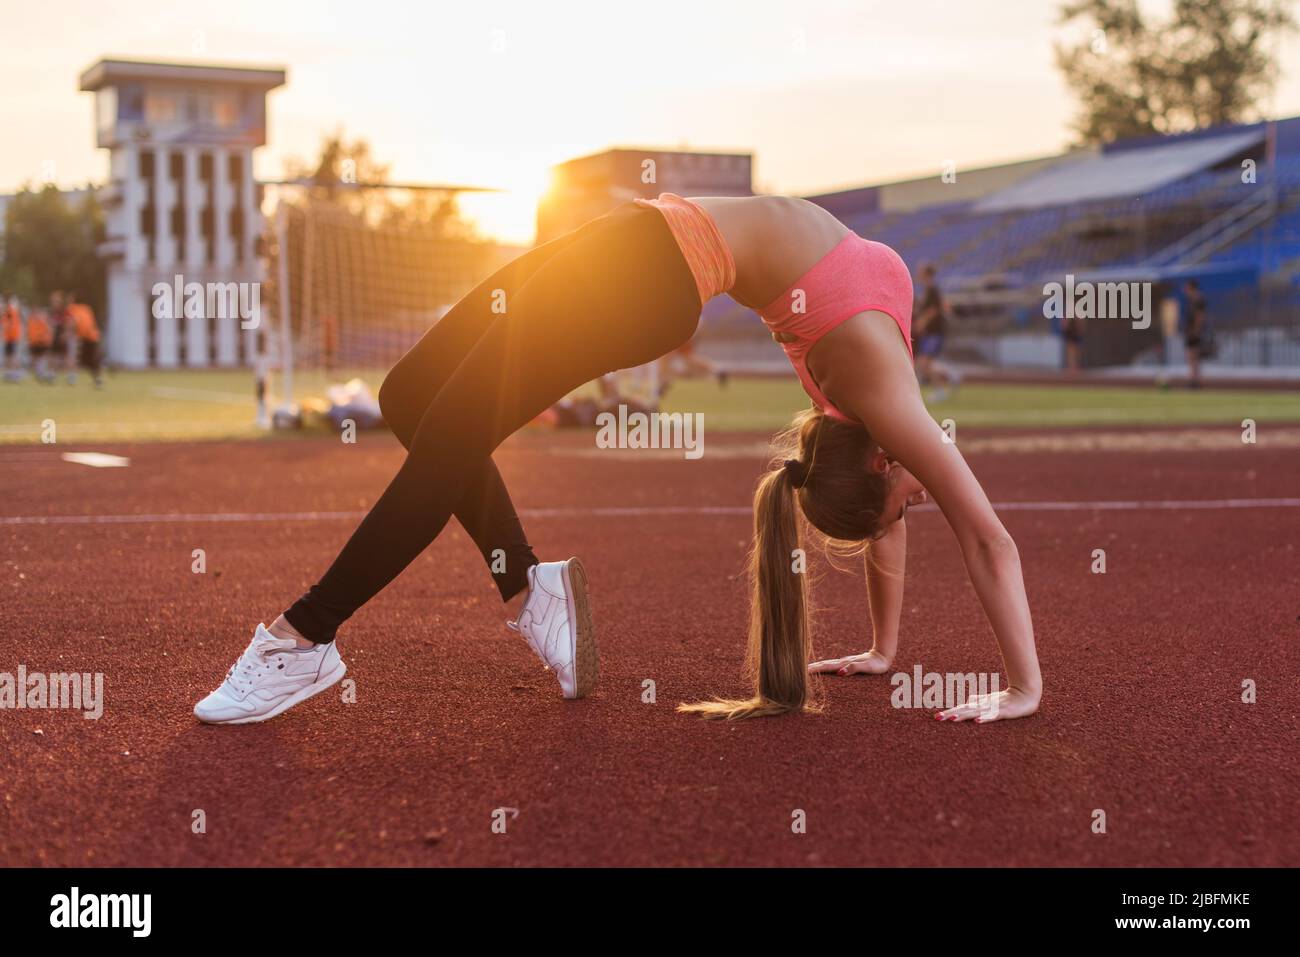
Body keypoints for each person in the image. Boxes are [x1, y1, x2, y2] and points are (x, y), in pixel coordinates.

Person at [194, 194, 1041, 727]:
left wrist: (891, 645)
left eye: (904, 506)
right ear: (888, 462)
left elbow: (887, 518)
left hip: (647, 276)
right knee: (410, 397)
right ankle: (532, 590)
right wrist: (1017, 683)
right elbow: (987, 539)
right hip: (640, 241)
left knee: (447, 435)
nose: (919, 505)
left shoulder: (868, 410)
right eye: (910, 502)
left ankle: (304, 635)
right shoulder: (884, 410)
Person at [911, 263, 960, 400]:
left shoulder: (932, 289)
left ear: (927, 274)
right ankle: (950, 375)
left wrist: (922, 322)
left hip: (934, 333)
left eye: (920, 271)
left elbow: (933, 310)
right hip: (930, 333)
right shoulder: (928, 290)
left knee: (924, 363)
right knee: (924, 363)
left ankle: (940, 390)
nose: (918, 274)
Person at [66, 294, 104, 388]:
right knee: (90, 361)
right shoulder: (87, 308)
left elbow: (73, 323)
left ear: (74, 299)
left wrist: (68, 333)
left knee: (80, 359)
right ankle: (97, 379)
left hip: (85, 338)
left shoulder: (72, 309)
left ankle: (72, 378)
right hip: (93, 336)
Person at [1182, 279, 1208, 389]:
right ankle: (1194, 379)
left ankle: (1194, 381)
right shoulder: (1193, 299)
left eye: (1186, 287)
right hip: (1191, 331)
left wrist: (1196, 331)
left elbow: (1200, 316)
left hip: (1194, 332)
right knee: (1192, 357)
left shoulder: (1197, 299)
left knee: (1193, 356)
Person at [25, 308, 53, 383]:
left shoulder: (41, 322)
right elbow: (30, 333)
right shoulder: (32, 322)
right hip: (35, 343)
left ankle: (41, 373)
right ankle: (39, 373)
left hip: (41, 343)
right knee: (35, 359)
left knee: (40, 358)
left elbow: (46, 332)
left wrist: (42, 339)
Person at [2, 298, 21, 378]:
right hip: (8, 338)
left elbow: (10, 325)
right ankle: (10, 372)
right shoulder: (7, 313)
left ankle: (15, 373)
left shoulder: (11, 312)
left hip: (12, 337)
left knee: (12, 356)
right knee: (9, 356)